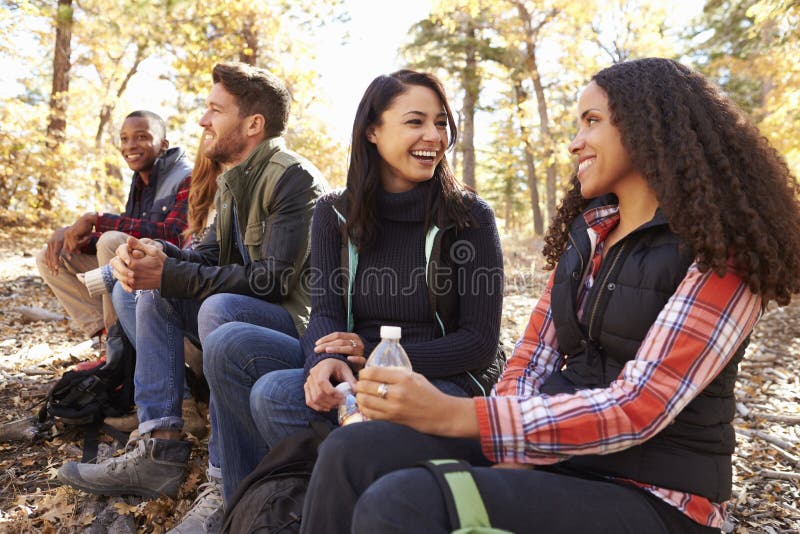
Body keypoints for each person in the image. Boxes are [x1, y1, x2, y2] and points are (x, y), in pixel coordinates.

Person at [300, 58, 800, 534]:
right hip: (559, 458)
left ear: (651, 129)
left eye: (591, 121)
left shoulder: (719, 253)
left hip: (656, 495)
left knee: (402, 502)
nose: (575, 142)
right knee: (355, 450)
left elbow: (639, 406)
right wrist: (498, 444)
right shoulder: (590, 235)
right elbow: (529, 360)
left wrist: (458, 416)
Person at [201, 69, 505, 506]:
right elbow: (324, 312)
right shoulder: (334, 214)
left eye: (441, 123)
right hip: (355, 371)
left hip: (441, 382)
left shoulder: (470, 218)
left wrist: (371, 357)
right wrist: (321, 362)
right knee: (229, 343)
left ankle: (343, 493)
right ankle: (248, 507)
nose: (434, 136)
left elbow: (478, 344)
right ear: (373, 132)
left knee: (273, 398)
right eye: (416, 121)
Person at [57, 62, 328, 534]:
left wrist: (171, 273)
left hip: (295, 329)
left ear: (253, 124)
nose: (203, 120)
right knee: (148, 293)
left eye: (214, 110)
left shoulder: (294, 179)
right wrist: (152, 256)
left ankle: (225, 484)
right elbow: (202, 254)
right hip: (249, 314)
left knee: (217, 307)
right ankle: (161, 447)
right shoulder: (234, 182)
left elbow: (274, 282)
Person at [35, 110, 192, 355]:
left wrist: (97, 220)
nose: (130, 145)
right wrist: (70, 235)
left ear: (163, 145)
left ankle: (118, 352)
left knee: (111, 242)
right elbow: (132, 231)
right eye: (124, 138)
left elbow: (174, 235)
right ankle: (108, 338)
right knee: (52, 254)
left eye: (141, 137)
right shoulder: (140, 181)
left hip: (172, 275)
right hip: (133, 271)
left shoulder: (187, 176)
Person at [102, 133, 224, 437]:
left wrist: (107, 272)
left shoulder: (243, 192)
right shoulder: (200, 195)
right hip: (197, 292)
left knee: (135, 282)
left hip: (219, 303)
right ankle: (166, 407)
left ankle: (170, 404)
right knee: (126, 284)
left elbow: (216, 266)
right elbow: (191, 251)